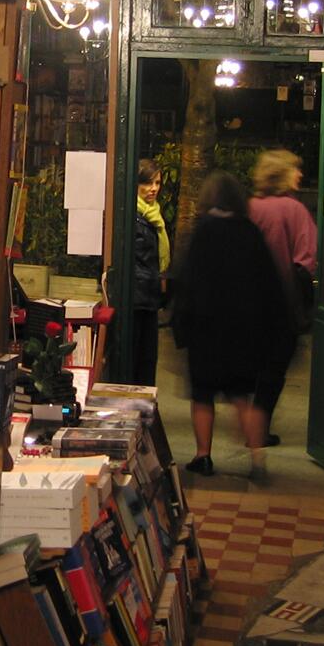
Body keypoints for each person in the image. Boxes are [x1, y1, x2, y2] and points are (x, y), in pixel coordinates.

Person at [169, 169, 295, 477]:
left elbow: (186, 282)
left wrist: (180, 326)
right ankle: (256, 458)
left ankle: (203, 456)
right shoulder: (250, 233)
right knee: (242, 397)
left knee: (202, 396)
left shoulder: (202, 232)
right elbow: (269, 285)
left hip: (205, 330)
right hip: (242, 332)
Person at [245, 149, 317, 445]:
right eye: (295, 169)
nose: (300, 175)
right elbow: (306, 259)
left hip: (249, 302)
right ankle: (258, 430)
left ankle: (249, 421)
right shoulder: (295, 210)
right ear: (283, 174)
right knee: (274, 371)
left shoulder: (250, 207)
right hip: (281, 304)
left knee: (256, 365)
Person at [131, 159, 169, 387]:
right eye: (148, 183)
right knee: (140, 362)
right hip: (138, 298)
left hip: (148, 298)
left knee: (147, 361)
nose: (154, 188)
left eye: (157, 183)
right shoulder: (134, 216)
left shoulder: (153, 215)